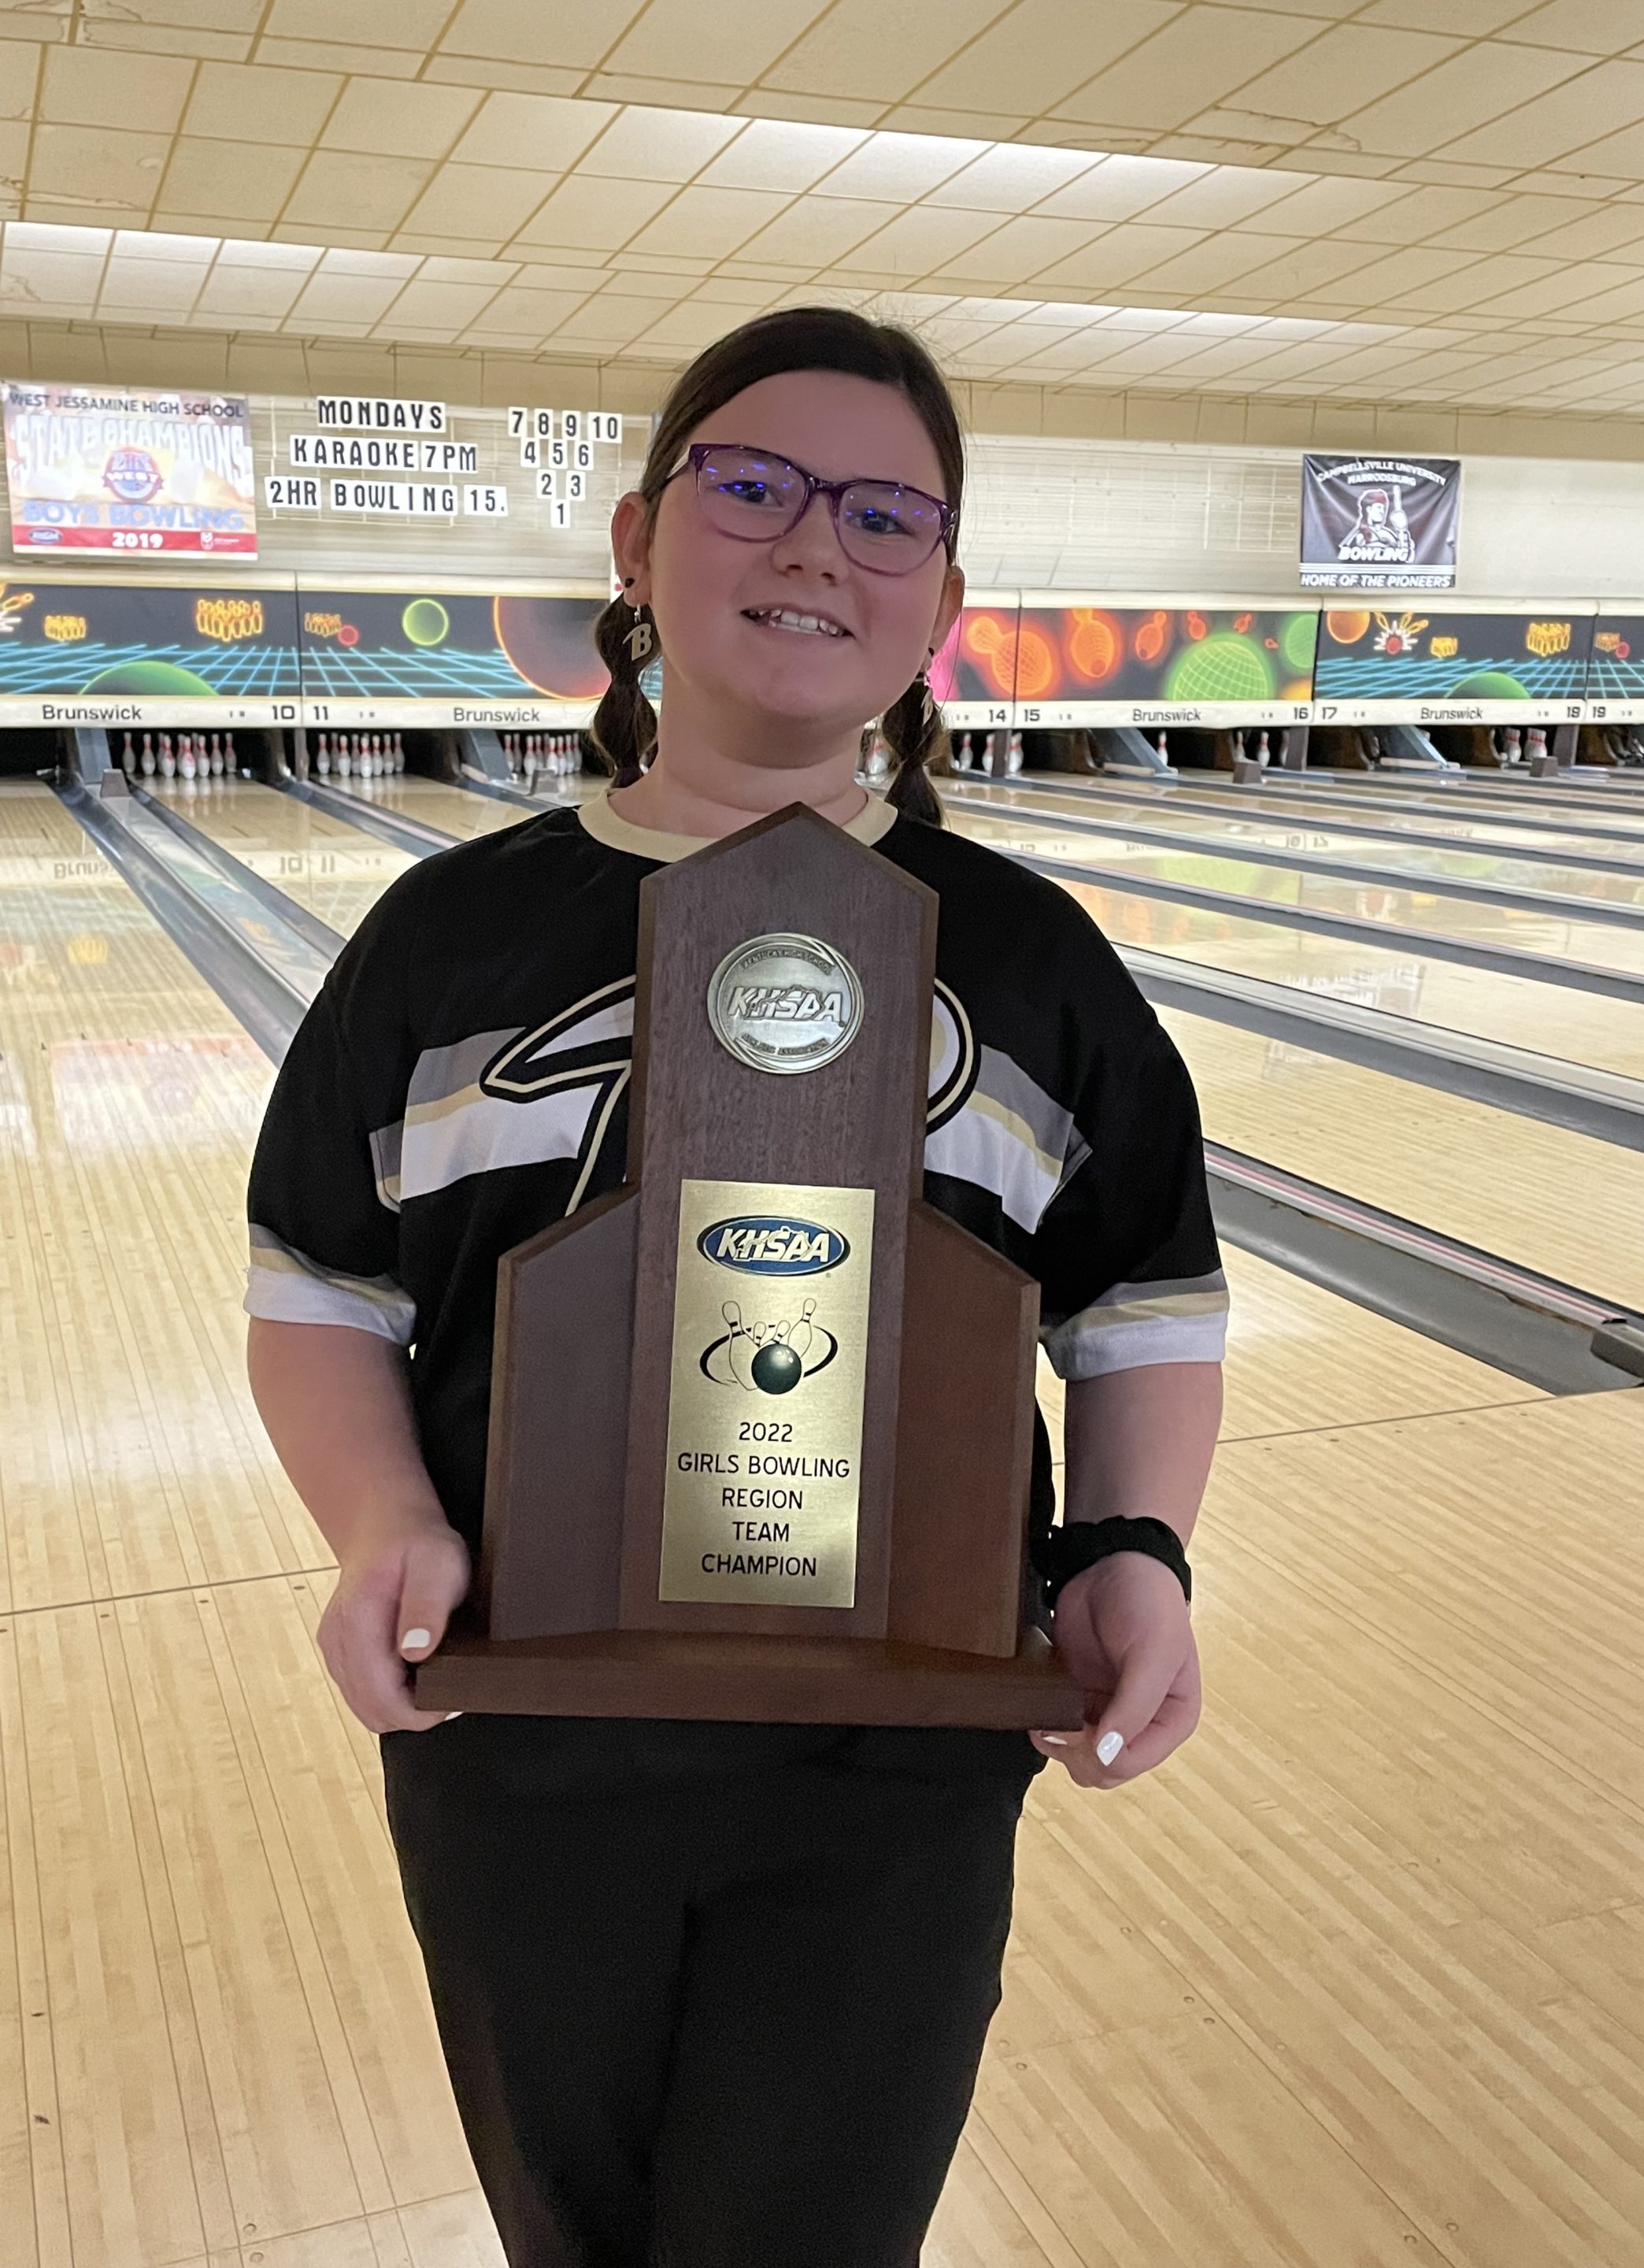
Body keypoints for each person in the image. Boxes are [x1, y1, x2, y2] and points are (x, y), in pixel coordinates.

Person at [244, 306, 1227, 2268]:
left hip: (904, 1751)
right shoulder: (443, 937)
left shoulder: (1034, 963)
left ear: (943, 590)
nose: (812, 548)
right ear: (635, 542)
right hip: (525, 1723)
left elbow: (1142, 1304)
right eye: (751, 485)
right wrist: (381, 1526)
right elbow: (323, 1288)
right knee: (573, 2229)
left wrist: (1135, 1544)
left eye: (886, 514)